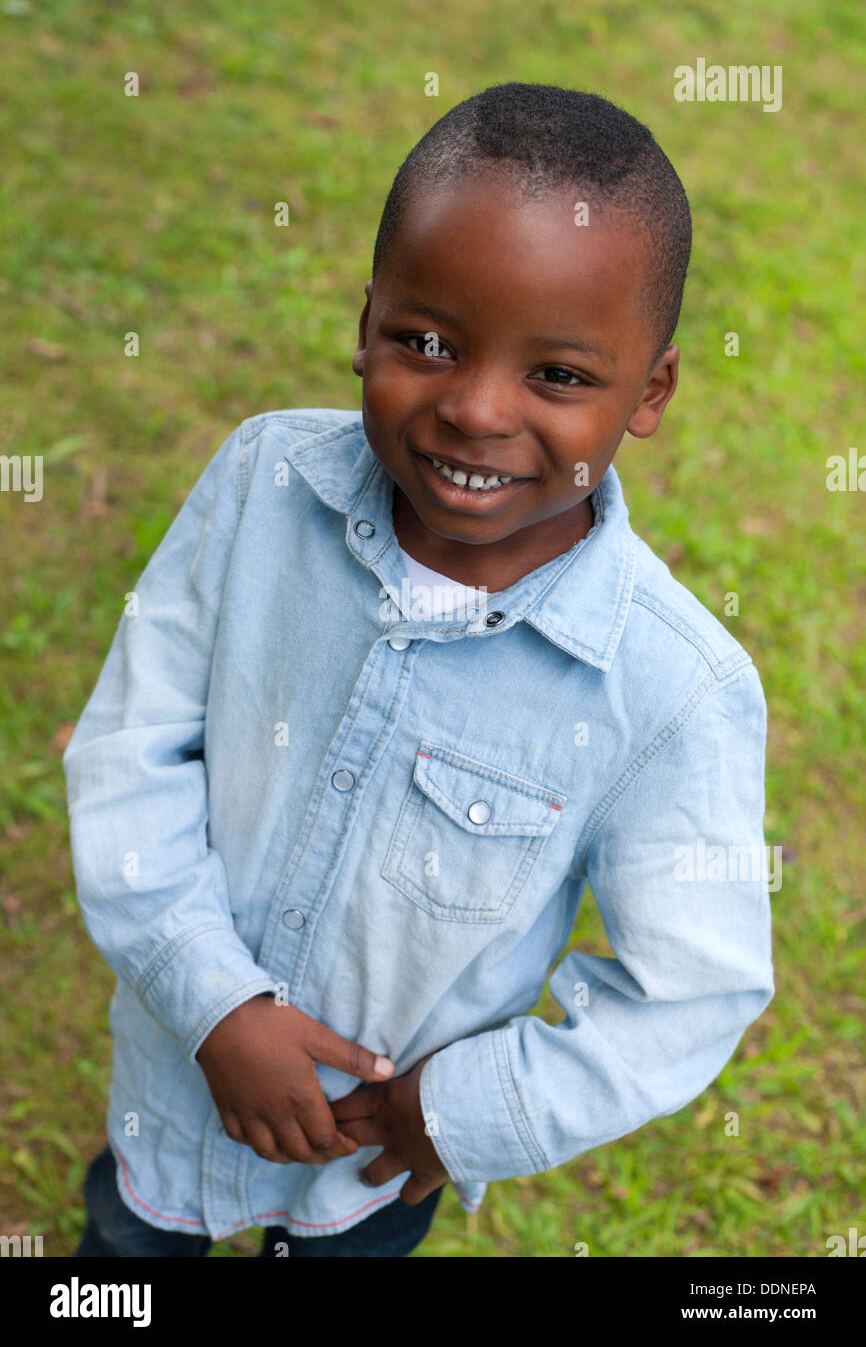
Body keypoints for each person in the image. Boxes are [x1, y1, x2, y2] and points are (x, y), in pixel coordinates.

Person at [64, 82, 775, 1258]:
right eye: (426, 342)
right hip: (173, 1083)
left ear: (647, 391)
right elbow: (128, 747)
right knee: (123, 1259)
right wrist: (214, 1001)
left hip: (372, 1163)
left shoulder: (671, 688)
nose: (474, 410)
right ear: (365, 320)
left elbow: (688, 989)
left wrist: (455, 1111)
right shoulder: (260, 486)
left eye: (556, 376)